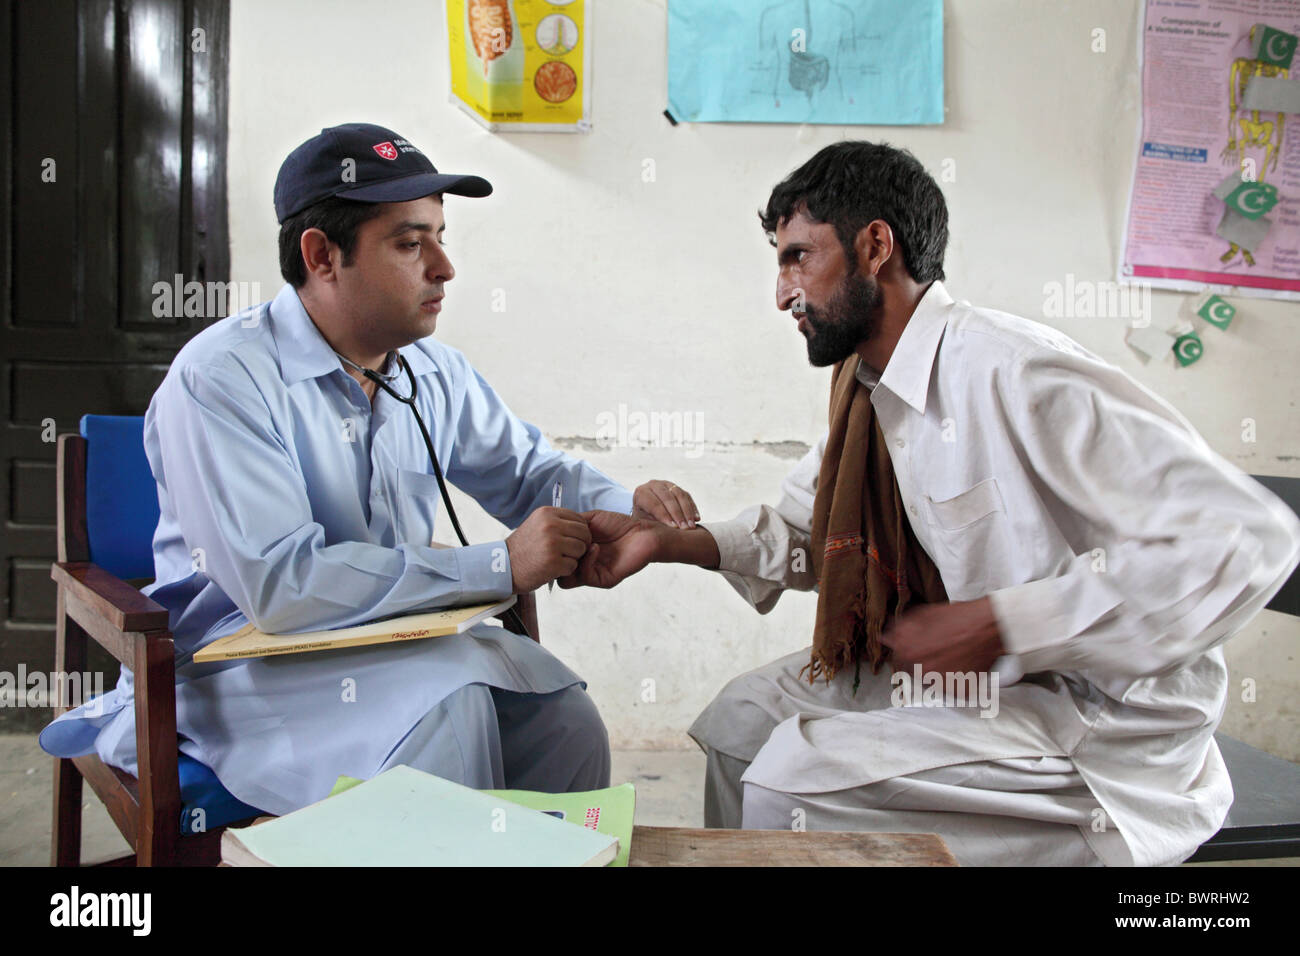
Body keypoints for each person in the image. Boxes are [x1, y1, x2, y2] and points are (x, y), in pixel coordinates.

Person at [559, 141, 1300, 866]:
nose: (781, 293)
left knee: (793, 775)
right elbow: (804, 533)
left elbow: (1248, 537)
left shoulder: (1013, 371)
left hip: (1100, 725)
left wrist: (1006, 622)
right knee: (742, 723)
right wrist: (665, 543)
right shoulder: (871, 390)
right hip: (988, 687)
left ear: (874, 246)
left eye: (798, 257)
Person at [39, 122, 700, 816]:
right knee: (452, 710)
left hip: (392, 644)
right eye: (411, 243)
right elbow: (282, 587)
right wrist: (498, 565)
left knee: (562, 716)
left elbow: (527, 470)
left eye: (442, 238)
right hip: (241, 671)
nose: (444, 267)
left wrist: (625, 509)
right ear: (321, 254)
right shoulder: (222, 379)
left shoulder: (433, 371)